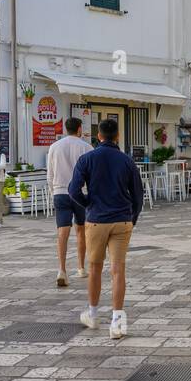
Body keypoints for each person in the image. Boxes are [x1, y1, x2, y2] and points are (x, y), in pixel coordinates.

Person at [67, 117, 143, 339]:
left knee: (95, 268)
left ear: (98, 136)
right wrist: (132, 217)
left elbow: (73, 191)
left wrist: (89, 203)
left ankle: (92, 313)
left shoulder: (87, 159)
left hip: (97, 219)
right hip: (122, 220)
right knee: (118, 270)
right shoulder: (127, 161)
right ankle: (117, 322)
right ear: (117, 136)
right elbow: (138, 194)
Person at [46, 118, 93, 286]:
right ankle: (81, 268)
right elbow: (91, 175)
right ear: (79, 129)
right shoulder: (87, 147)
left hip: (60, 192)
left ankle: (62, 269)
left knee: (62, 231)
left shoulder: (54, 147)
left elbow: (49, 175)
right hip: (80, 192)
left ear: (66, 128)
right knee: (81, 230)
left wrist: (54, 192)